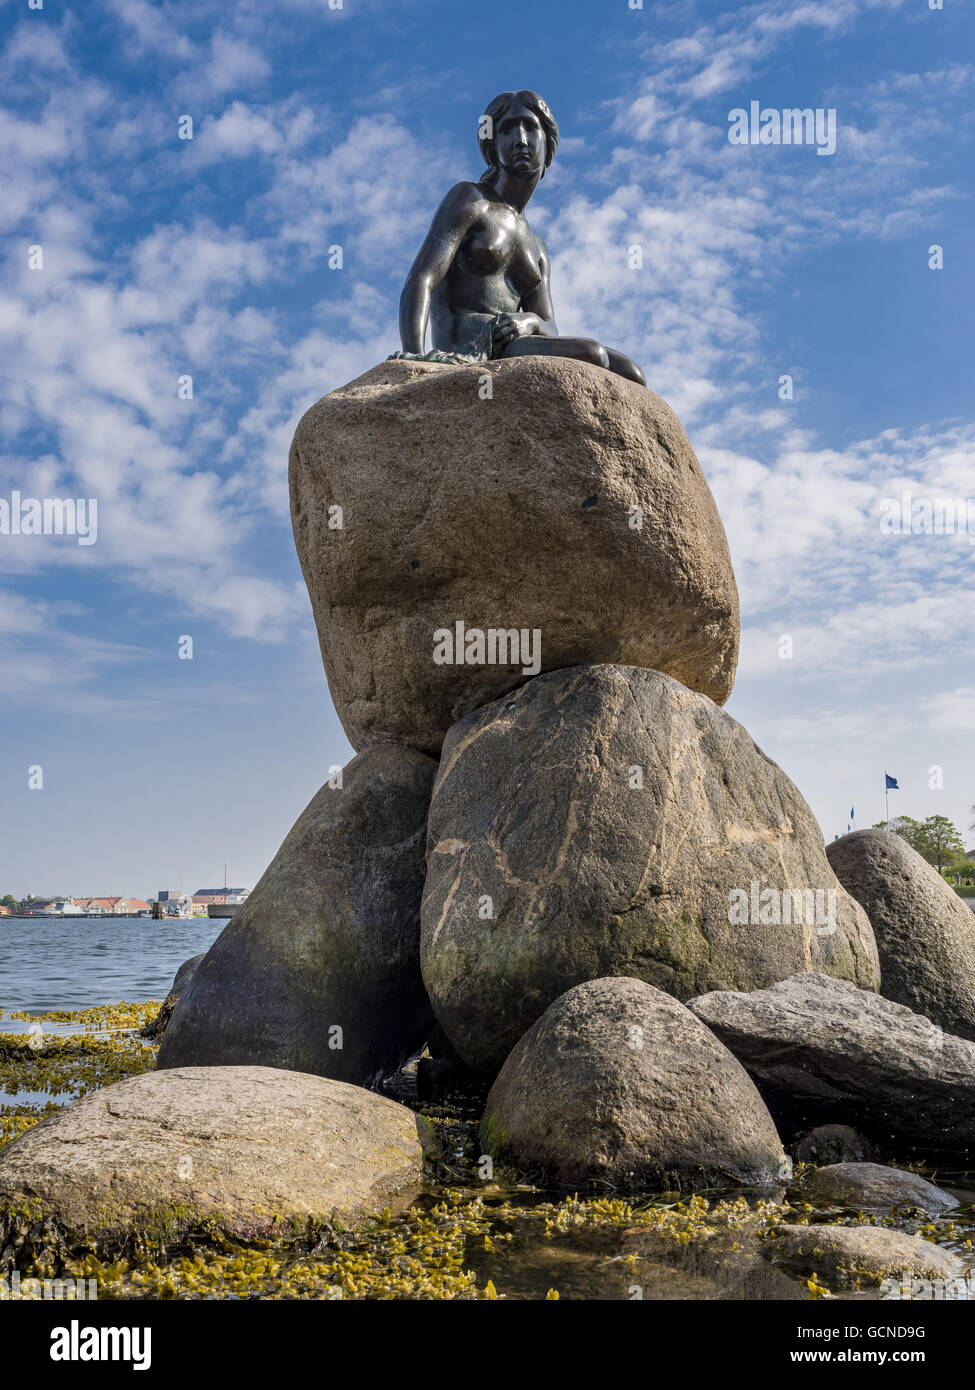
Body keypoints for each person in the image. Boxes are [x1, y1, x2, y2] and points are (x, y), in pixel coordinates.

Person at [395, 89, 646, 385]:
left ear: (547, 141)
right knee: (592, 353)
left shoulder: (537, 246)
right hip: (470, 346)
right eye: (507, 130)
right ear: (492, 145)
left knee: (630, 372)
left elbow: (549, 325)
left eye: (530, 127)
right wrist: (414, 358)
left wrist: (528, 320)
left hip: (516, 342)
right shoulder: (471, 200)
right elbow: (422, 278)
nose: (521, 140)